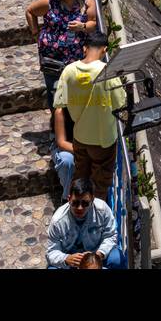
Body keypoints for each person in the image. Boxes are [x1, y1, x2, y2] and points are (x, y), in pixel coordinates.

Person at [27, 0, 98, 198]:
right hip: (51, 60)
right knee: (54, 93)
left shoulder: (86, 3)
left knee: (72, 96)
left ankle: (68, 128)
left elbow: (93, 24)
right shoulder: (51, 1)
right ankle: (58, 127)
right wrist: (35, 32)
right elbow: (30, 11)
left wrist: (82, 27)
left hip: (73, 61)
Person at [52, 30, 125, 201]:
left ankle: (76, 210)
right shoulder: (108, 71)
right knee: (99, 183)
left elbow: (59, 104)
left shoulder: (69, 71)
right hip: (103, 140)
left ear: (84, 48)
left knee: (80, 178)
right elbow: (119, 103)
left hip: (80, 137)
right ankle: (94, 216)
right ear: (105, 50)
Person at [45, 178, 122, 269]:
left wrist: (99, 254)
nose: (80, 208)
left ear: (92, 200)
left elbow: (111, 235)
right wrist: (66, 259)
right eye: (75, 203)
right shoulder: (57, 221)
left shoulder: (102, 210)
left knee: (117, 259)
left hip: (96, 256)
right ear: (69, 199)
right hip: (70, 262)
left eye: (85, 203)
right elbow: (51, 252)